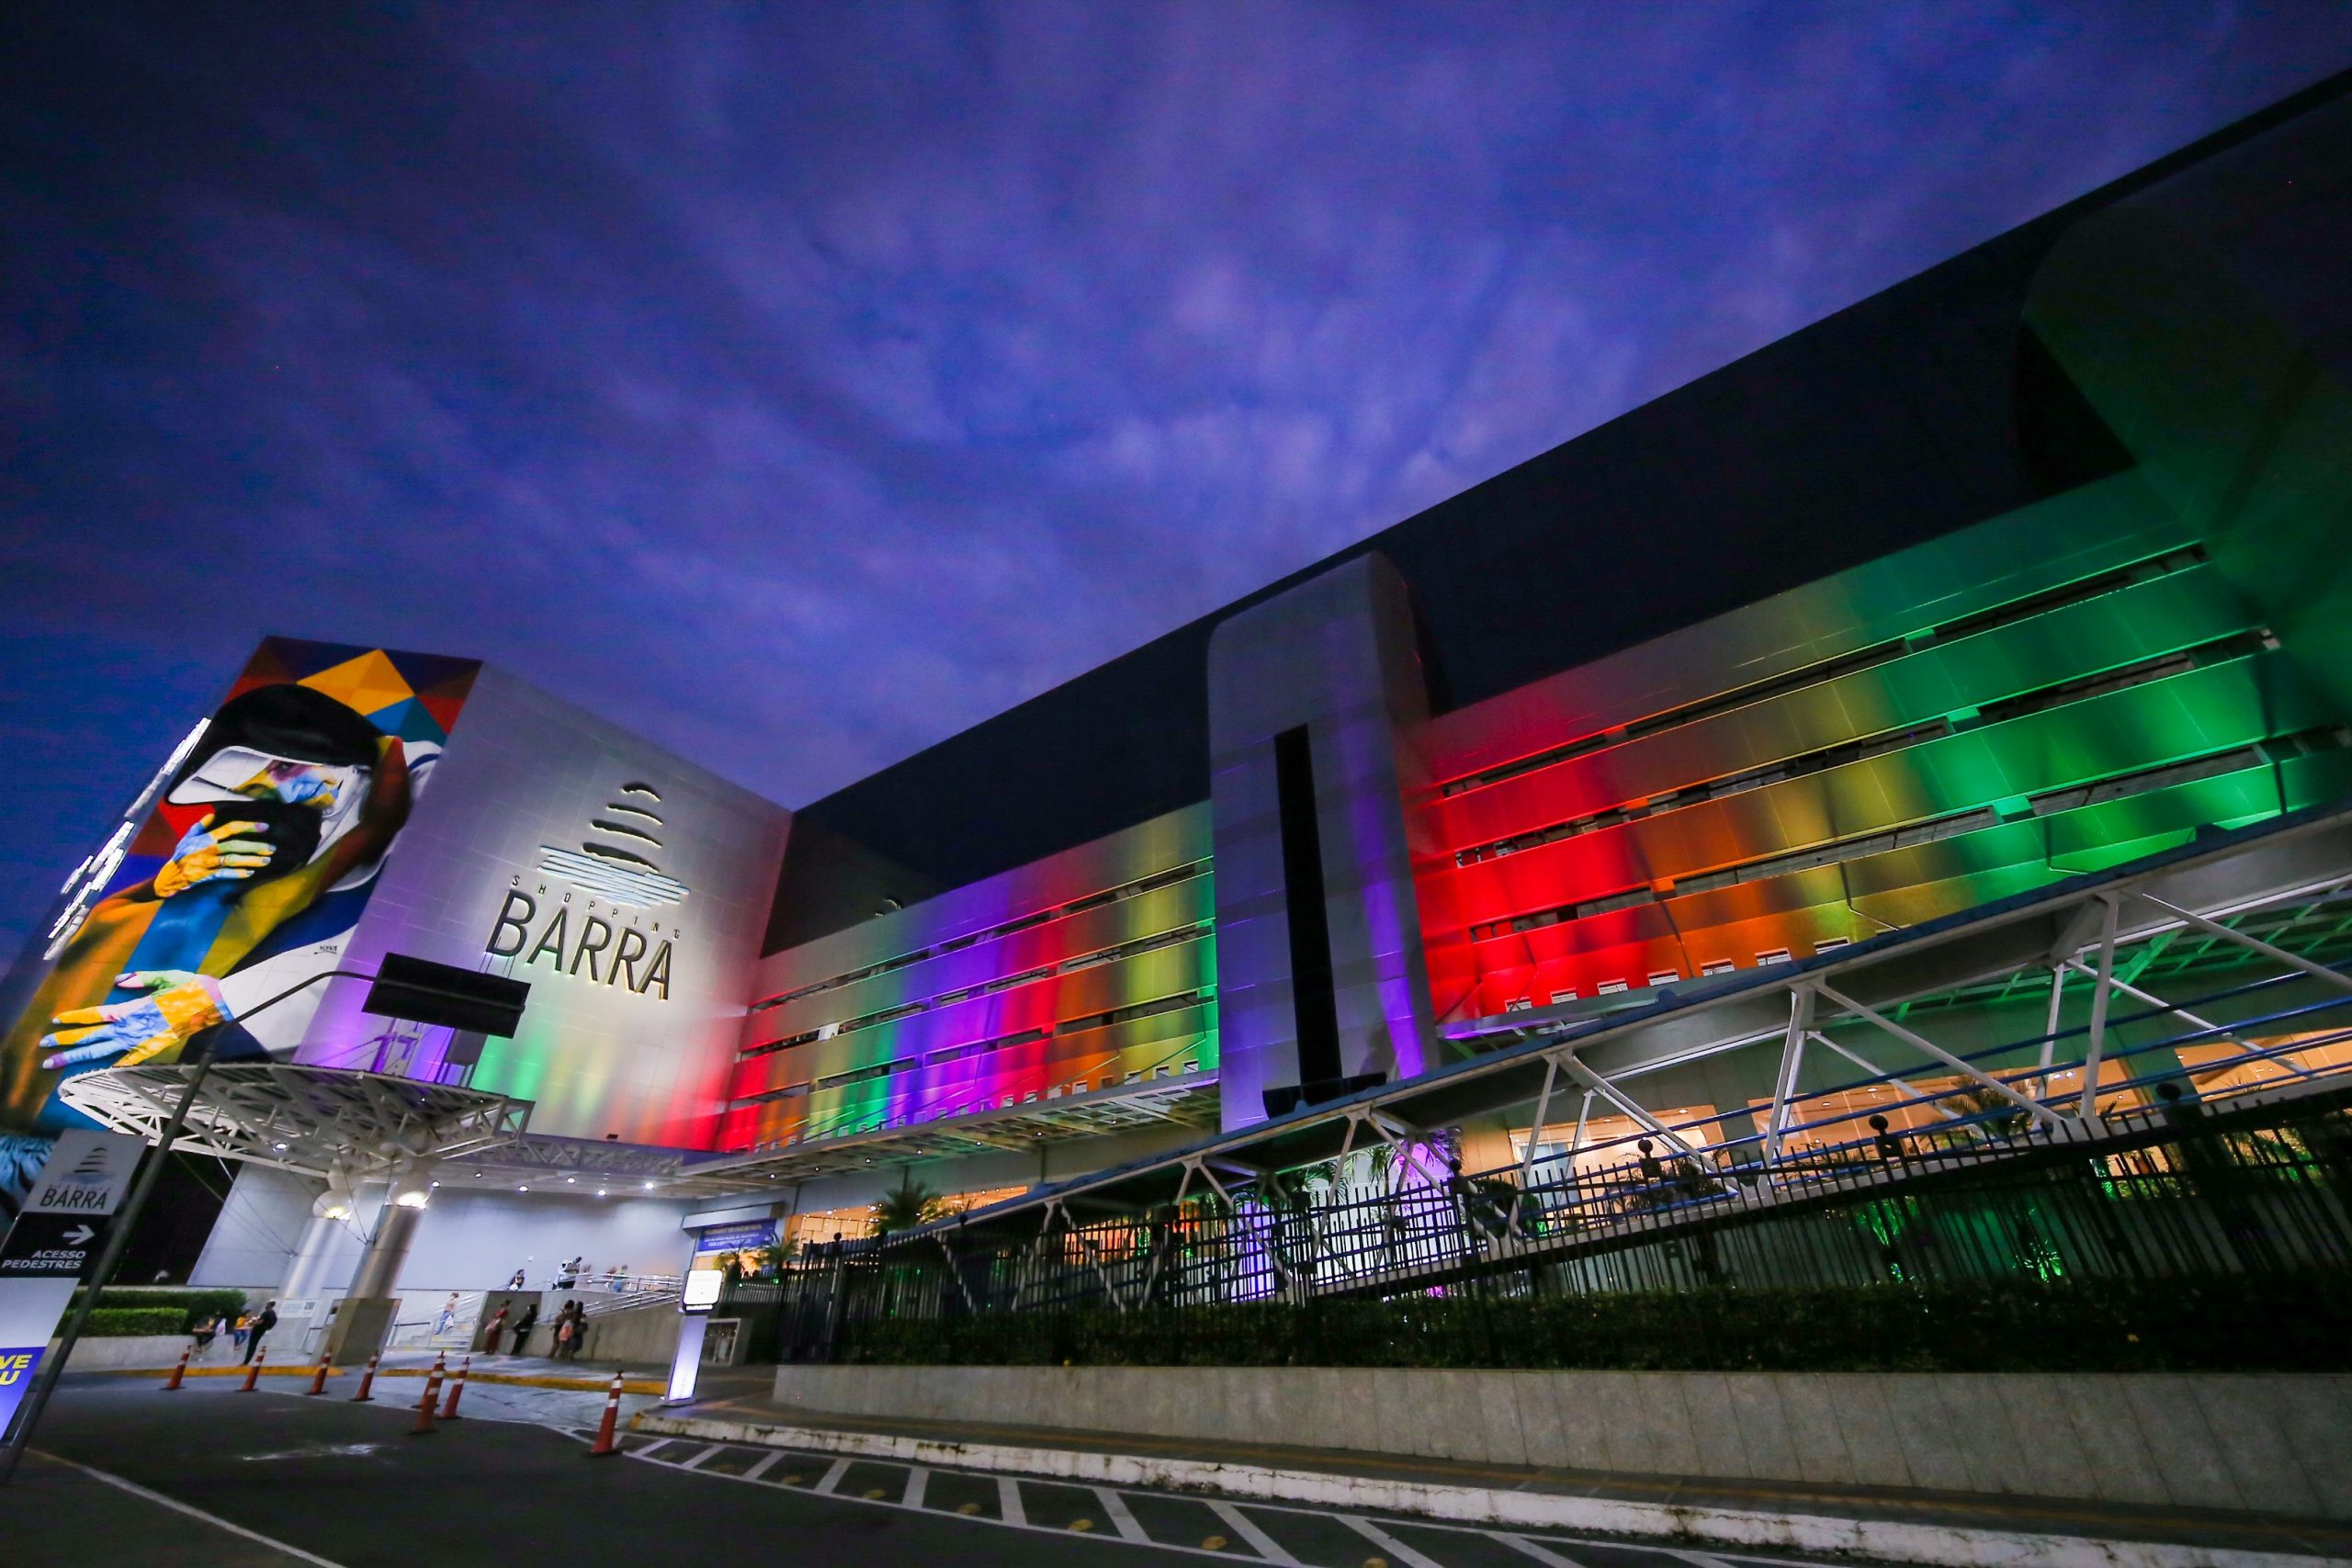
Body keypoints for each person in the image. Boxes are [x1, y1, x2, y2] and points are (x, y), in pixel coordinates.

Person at [243, 1300, 277, 1364]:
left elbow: (260, 1322)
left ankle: (246, 1361)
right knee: (254, 1345)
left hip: (257, 1330)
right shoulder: (273, 1313)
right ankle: (247, 1361)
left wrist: (251, 1323)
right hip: (263, 1330)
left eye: (267, 1305)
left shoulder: (266, 1312)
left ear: (269, 1305)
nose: (266, 1306)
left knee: (251, 1345)